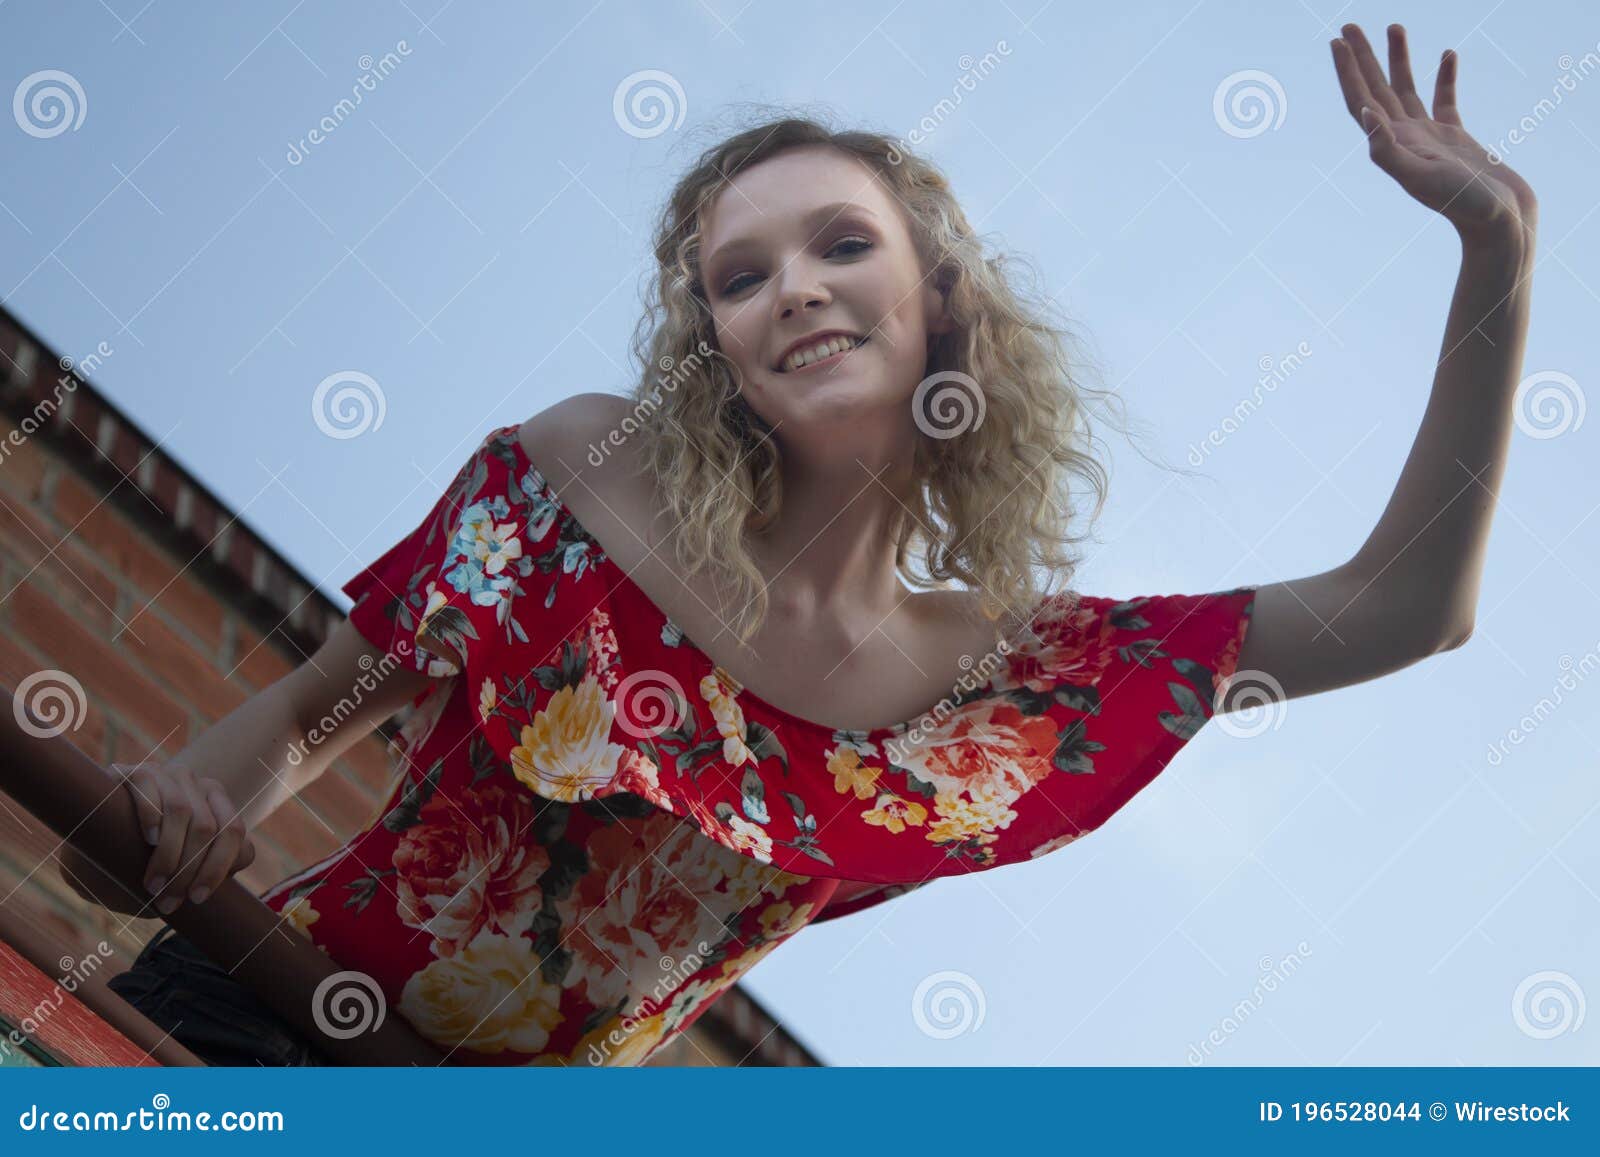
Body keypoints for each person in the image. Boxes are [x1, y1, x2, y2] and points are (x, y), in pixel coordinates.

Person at [87, 22, 1534, 1066]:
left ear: (943, 299)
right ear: (713, 342)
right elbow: (310, 714)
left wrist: (1499, 257)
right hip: (222, 1023)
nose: (792, 290)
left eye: (842, 244)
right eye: (739, 274)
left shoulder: (1001, 683)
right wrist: (165, 820)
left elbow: (1403, 608)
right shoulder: (583, 469)